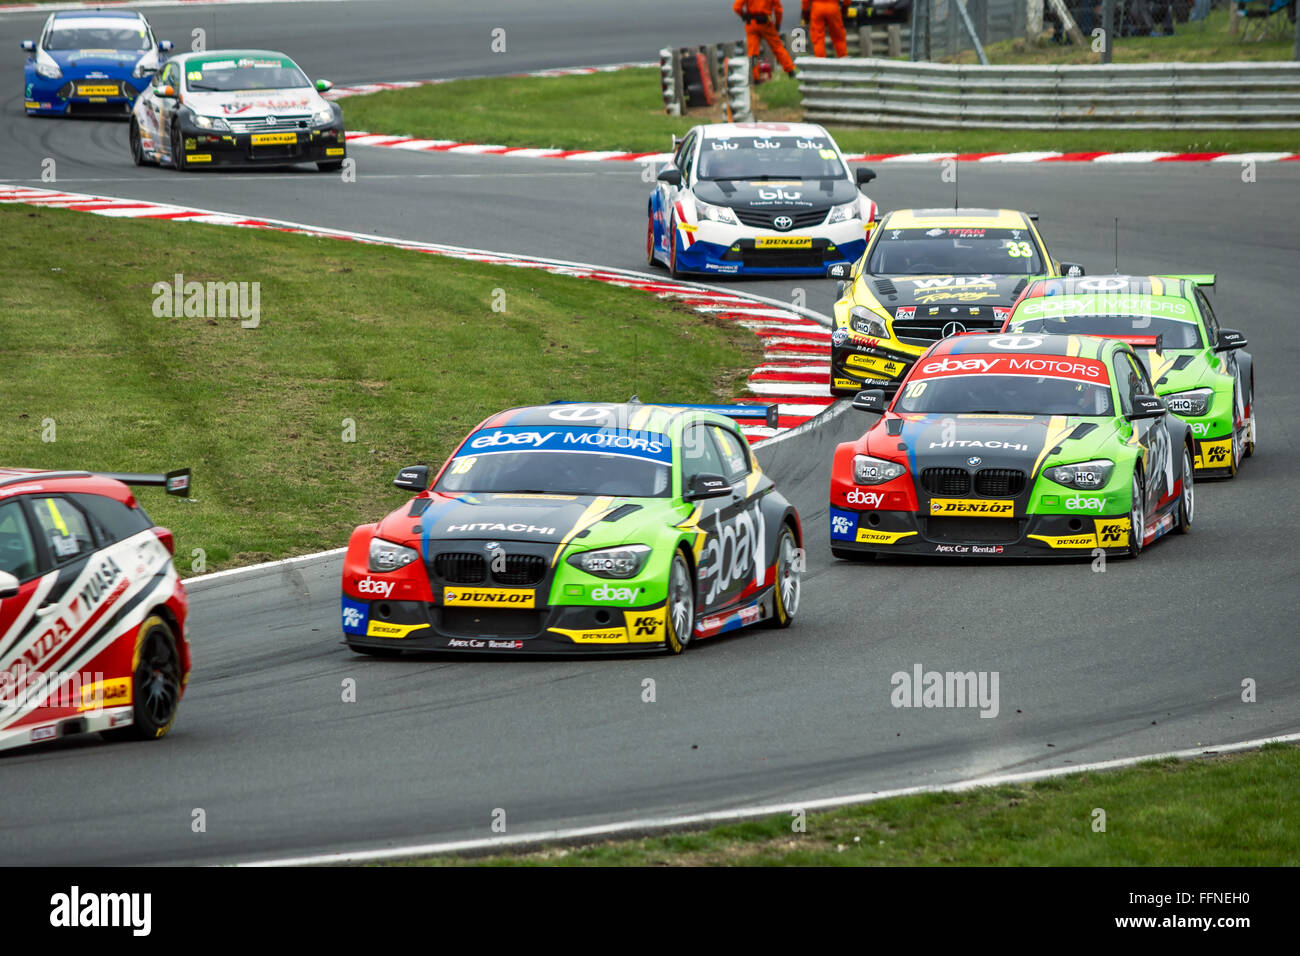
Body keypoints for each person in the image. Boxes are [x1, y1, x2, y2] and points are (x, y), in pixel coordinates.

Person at [733, 0, 798, 81]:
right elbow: (778, 10)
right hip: (766, 24)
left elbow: (736, 7)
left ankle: (755, 77)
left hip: (751, 24)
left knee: (753, 53)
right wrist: (778, 24)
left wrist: (744, 15)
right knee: (777, 47)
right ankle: (790, 70)